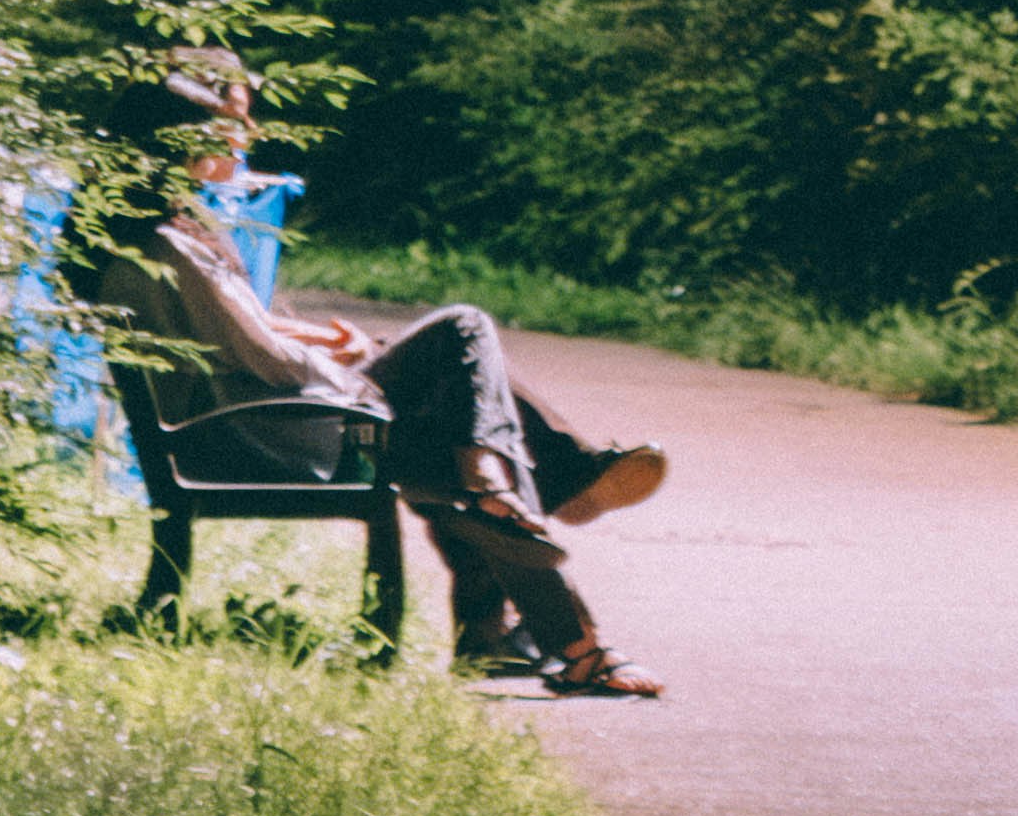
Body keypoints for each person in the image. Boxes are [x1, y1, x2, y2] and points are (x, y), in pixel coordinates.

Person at [155, 213, 667, 697]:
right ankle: (551, 481)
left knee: (458, 421)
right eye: (231, 116)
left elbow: (236, 332)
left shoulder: (159, 241)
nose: (244, 130)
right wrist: (348, 363)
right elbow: (258, 355)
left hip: (256, 423)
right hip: (278, 425)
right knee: (463, 330)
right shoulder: (175, 245)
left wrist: (330, 342)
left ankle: (502, 630)